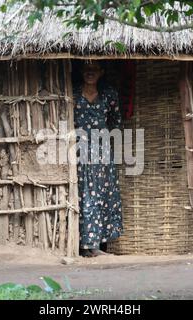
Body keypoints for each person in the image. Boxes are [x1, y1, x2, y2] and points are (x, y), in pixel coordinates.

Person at [73, 61, 123, 258]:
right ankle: (86, 245)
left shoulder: (109, 94)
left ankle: (98, 245)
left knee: (102, 197)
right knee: (85, 196)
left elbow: (116, 123)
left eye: (94, 69)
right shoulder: (74, 93)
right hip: (78, 152)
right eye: (86, 68)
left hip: (102, 153)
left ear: (102, 72)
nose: (90, 72)